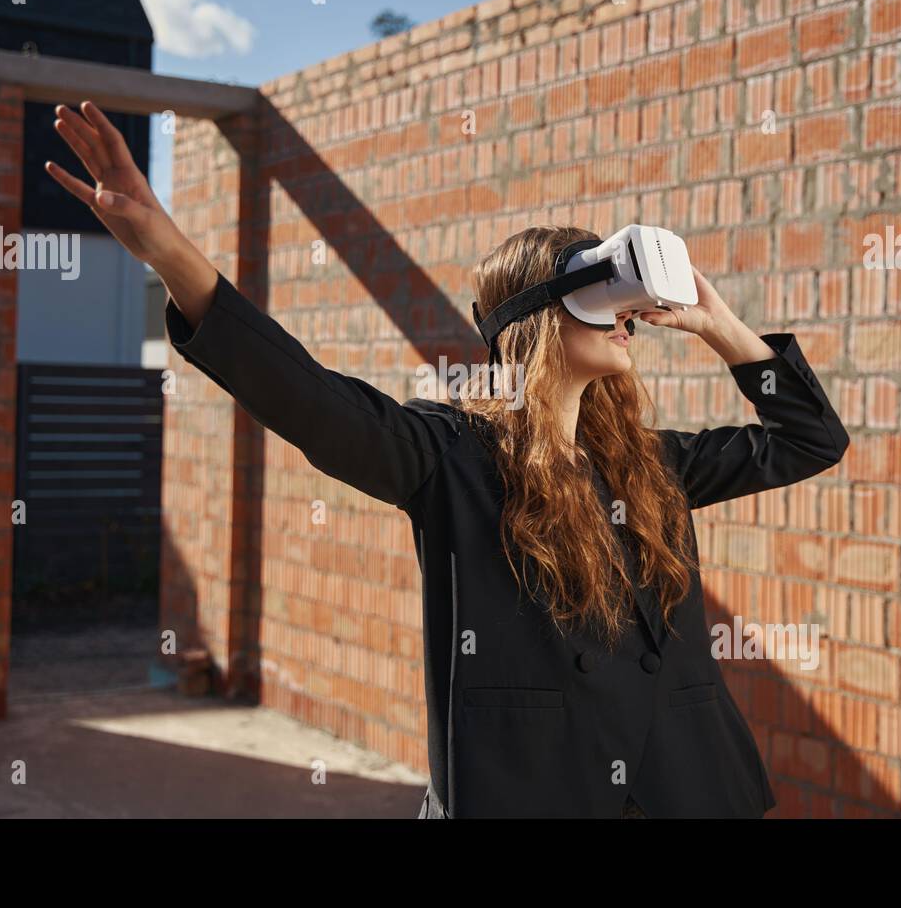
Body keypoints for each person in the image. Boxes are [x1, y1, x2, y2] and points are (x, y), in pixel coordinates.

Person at [47, 101, 850, 818]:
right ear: (533, 321)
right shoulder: (451, 460)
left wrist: (722, 327)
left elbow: (810, 439)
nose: (627, 320)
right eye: (601, 297)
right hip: (536, 793)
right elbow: (307, 398)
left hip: (688, 791)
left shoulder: (653, 467)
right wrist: (169, 252)